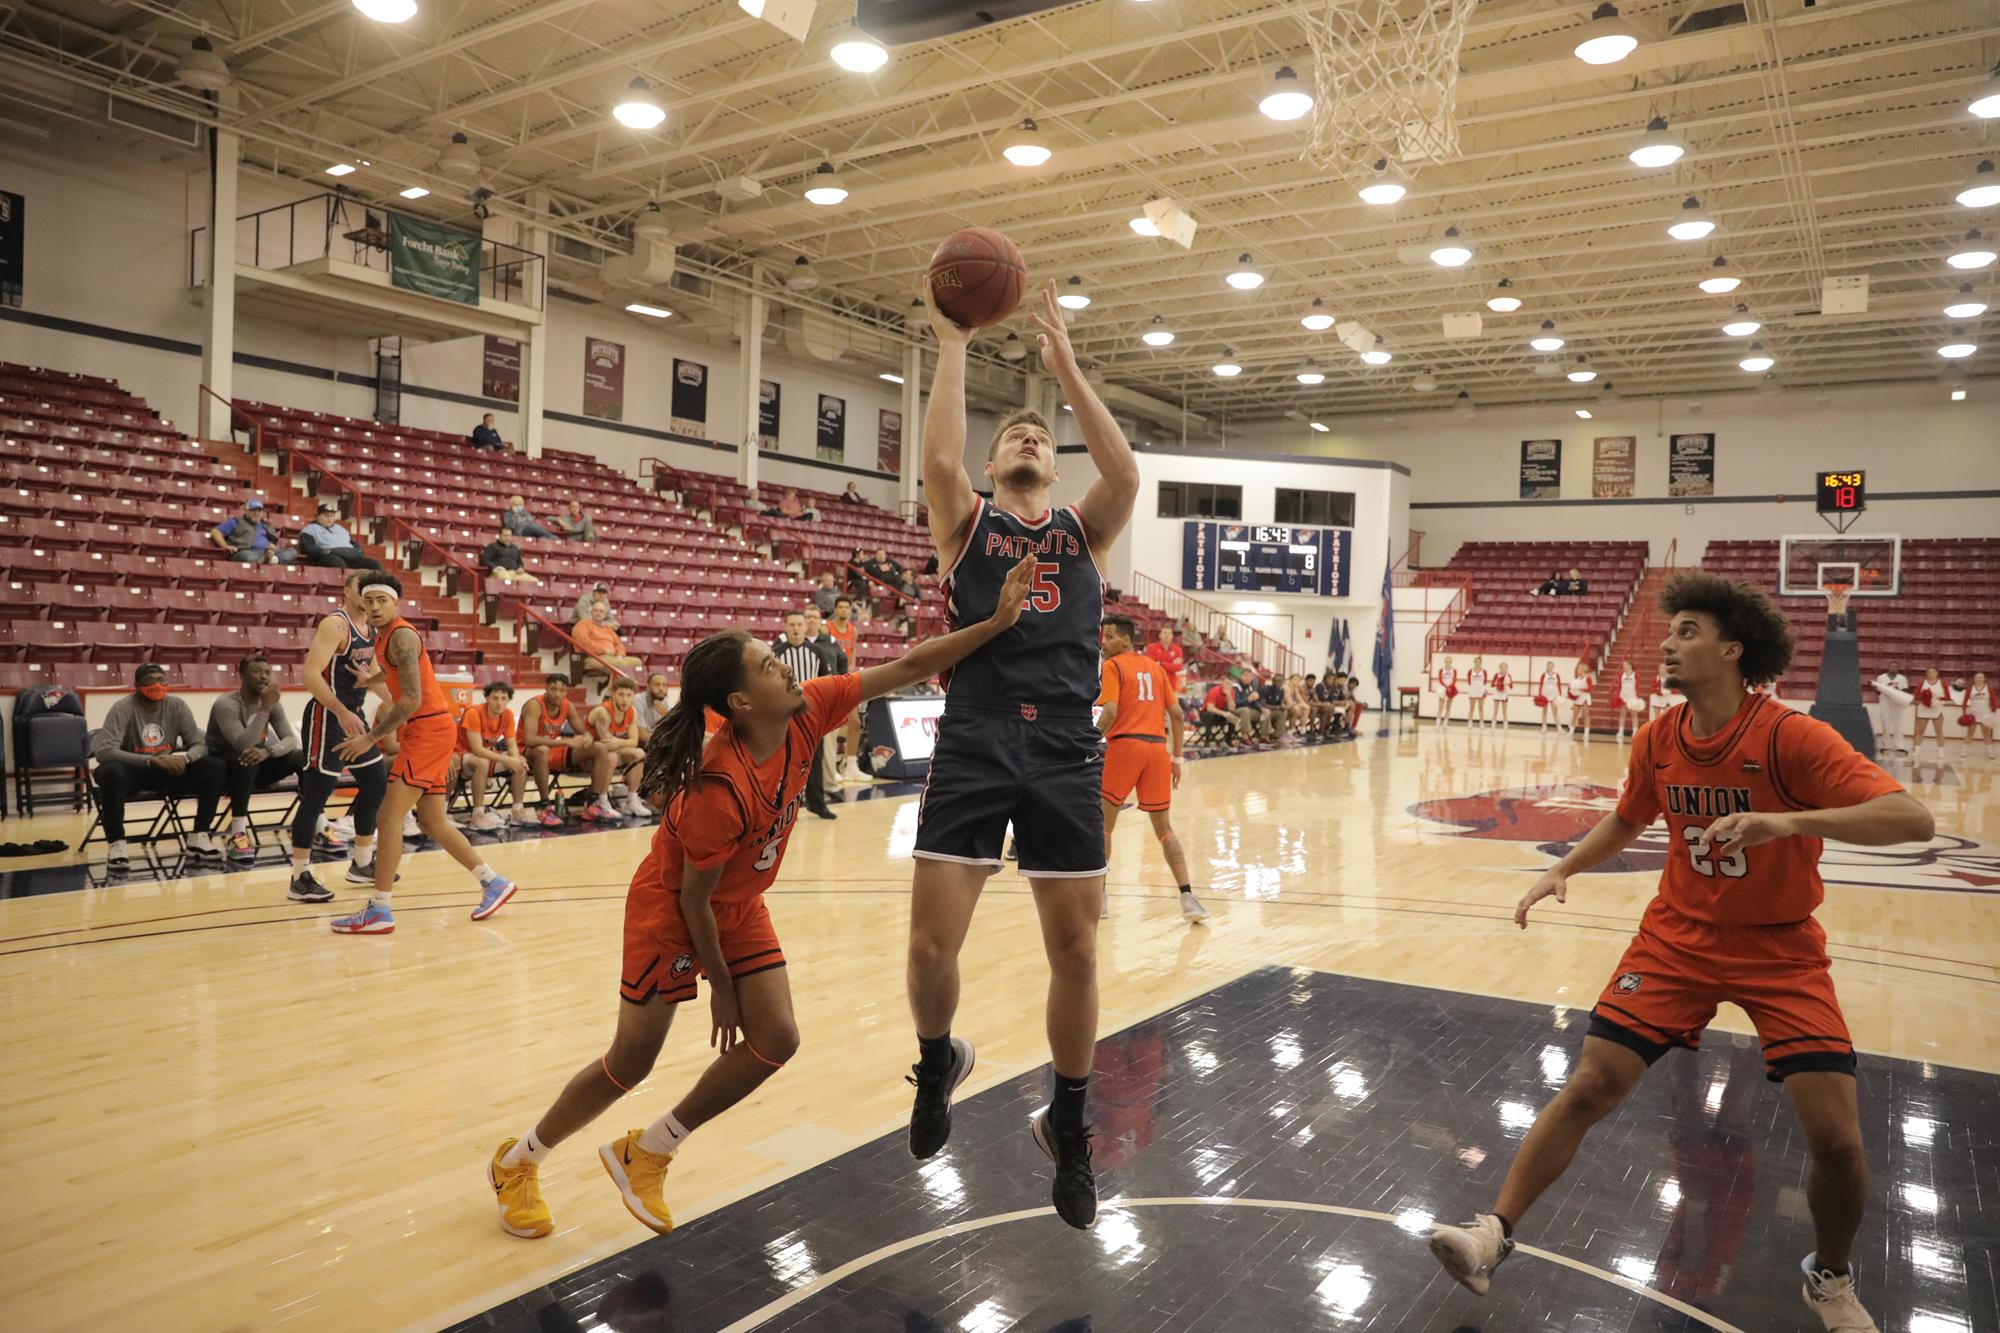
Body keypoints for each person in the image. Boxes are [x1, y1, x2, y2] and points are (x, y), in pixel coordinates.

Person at [1427, 570, 1934, 1333]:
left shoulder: (1790, 736)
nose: (1668, 643)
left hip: (1781, 948)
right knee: (1592, 1084)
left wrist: (1790, 823)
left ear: (1734, 649)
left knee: (1836, 1140)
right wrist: (1563, 865)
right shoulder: (1658, 737)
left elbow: (1912, 817)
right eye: (1669, 632)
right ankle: (1491, 1234)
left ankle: (1829, 1278)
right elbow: (1629, 818)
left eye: (1687, 632)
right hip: (1678, 938)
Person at [485, 559, 1033, 1240]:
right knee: (632, 1060)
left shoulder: (809, 711)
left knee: (776, 1038)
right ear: (741, 703)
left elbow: (909, 665)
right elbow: (692, 899)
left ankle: (649, 1148)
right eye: (772, 667)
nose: (788, 672)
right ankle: (518, 1159)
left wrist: (998, 622)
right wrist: (720, 984)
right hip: (674, 913)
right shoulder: (717, 786)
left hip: (737, 906)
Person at [902, 276, 1141, 1231]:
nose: (1032, 440)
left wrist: (1068, 370)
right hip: (975, 734)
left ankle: (1070, 1122)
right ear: (995, 464)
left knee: (1076, 948)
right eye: (1016, 437)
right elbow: (935, 454)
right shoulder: (967, 525)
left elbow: (1125, 477)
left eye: (1042, 435)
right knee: (929, 943)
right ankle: (936, 1063)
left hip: (1064, 746)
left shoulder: (1084, 531)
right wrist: (955, 343)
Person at [330, 573, 522, 934]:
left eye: (381, 600)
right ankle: (492, 882)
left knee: (388, 817)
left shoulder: (401, 636)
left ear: (396, 604)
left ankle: (379, 909)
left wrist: (370, 738)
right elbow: (398, 675)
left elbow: (412, 699)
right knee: (433, 822)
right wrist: (368, 680)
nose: (373, 607)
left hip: (427, 731)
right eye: (368, 600)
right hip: (430, 730)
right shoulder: (386, 636)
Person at [287, 571, 392, 904]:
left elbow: (373, 678)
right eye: (366, 592)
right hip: (327, 714)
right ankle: (299, 876)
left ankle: (362, 863)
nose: (372, 600)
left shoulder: (371, 628)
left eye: (378, 595)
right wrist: (340, 711)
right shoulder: (335, 624)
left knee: (376, 782)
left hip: (353, 716)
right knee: (316, 795)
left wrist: (399, 704)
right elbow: (309, 675)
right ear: (348, 591)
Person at [1097, 616, 1207, 924]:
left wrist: (1089, 740)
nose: (1103, 643)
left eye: (1109, 637)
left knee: (1103, 827)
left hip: (1125, 746)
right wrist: (1177, 759)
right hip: (1158, 750)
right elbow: (1177, 715)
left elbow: (1110, 711)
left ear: (1126, 641)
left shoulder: (1113, 667)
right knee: (1165, 830)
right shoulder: (1157, 670)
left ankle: (1100, 899)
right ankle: (1188, 898)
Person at [91, 663, 227, 869]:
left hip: (168, 770)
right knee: (110, 771)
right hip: (134, 771)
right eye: (150, 681)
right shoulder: (123, 707)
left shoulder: (177, 705)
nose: (157, 685)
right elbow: (104, 752)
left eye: (162, 680)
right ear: (136, 686)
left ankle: (199, 836)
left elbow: (200, 743)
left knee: (214, 765)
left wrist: (186, 759)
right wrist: (150, 760)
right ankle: (117, 844)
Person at [207, 652, 308, 864]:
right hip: (224, 773)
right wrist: (264, 708)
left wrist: (269, 752)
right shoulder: (226, 704)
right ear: (242, 676)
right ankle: (238, 833)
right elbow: (243, 743)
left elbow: (290, 739)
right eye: (256, 672)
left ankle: (316, 825)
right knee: (245, 756)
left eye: (267, 672)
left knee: (300, 757)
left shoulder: (271, 702)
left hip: (257, 766)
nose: (263, 677)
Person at [520, 673, 616, 825]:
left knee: (600, 748)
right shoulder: (535, 705)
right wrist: (565, 742)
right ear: (546, 688)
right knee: (542, 750)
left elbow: (582, 730)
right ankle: (545, 806)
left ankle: (592, 803)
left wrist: (587, 737)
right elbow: (529, 740)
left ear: (566, 692)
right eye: (553, 689)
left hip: (553, 750)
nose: (557, 694)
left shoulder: (567, 705)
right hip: (527, 753)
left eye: (562, 690)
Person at [773, 611, 838, 820]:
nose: (796, 628)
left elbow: (827, 682)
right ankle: (782, 806)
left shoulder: (818, 651)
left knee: (814, 759)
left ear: (805, 627)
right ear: (785, 627)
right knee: (783, 760)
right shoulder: (775, 653)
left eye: (799, 624)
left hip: (810, 714)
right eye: (791, 624)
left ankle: (816, 803)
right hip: (783, 714)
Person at [458, 681, 534, 831]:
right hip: (462, 755)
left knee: (520, 763)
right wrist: (508, 759)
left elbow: (512, 745)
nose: (499, 703)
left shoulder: (508, 714)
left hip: (487, 756)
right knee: (482, 762)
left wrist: (516, 759)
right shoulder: (474, 712)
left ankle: (517, 810)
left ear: (508, 700)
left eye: (503, 698)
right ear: (486, 698)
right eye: (495, 698)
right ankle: (477, 815)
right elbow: (477, 749)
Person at [589, 678, 653, 820]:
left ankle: (631, 800)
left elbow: (634, 741)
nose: (625, 699)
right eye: (621, 695)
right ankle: (602, 800)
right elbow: (606, 744)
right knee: (610, 756)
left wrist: (618, 742)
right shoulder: (603, 712)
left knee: (639, 754)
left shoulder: (632, 712)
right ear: (613, 694)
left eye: (629, 695)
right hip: (590, 756)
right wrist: (622, 743)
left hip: (610, 752)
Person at [573, 601, 645, 686]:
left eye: (601, 611)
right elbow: (584, 643)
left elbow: (619, 644)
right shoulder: (582, 624)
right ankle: (614, 691)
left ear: (605, 615)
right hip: (591, 658)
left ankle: (627, 688)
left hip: (612, 657)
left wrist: (620, 654)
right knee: (619, 664)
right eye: (596, 610)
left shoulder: (608, 628)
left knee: (637, 662)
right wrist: (603, 650)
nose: (598, 613)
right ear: (591, 612)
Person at [209, 497, 296, 564]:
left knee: (292, 552)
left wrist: (274, 548)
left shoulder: (266, 525)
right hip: (245, 551)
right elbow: (215, 532)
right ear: (246, 511)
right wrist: (225, 546)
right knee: (248, 556)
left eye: (259, 511)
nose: (256, 513)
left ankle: (273, 560)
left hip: (266, 552)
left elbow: (274, 542)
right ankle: (266, 559)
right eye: (253, 510)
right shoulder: (236, 521)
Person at [299, 502, 383, 570]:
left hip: (350, 555)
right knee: (336, 562)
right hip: (329, 556)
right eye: (326, 515)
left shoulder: (341, 529)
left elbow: (353, 543)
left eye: (332, 516)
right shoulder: (310, 529)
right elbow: (307, 547)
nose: (329, 518)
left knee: (375, 564)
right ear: (317, 516)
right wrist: (324, 552)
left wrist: (358, 550)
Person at [1199, 676, 1251, 745]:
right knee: (1210, 715)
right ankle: (1207, 740)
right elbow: (1210, 708)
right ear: (1222, 683)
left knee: (1232, 715)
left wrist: (1229, 696)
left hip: (1219, 713)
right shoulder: (1215, 690)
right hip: (1206, 714)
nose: (1228, 686)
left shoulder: (1231, 691)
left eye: (1230, 684)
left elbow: (1232, 708)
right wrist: (1223, 713)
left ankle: (1229, 739)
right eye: (1227, 683)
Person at [1910, 667, 1947, 760]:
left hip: (1936, 708)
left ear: (1937, 673)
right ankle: (1917, 750)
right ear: (1926, 674)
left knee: (1939, 731)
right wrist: (1925, 696)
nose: (1931, 674)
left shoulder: (1942, 683)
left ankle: (1941, 751)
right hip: (1924, 708)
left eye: (1933, 672)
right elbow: (1916, 696)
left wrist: (1937, 700)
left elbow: (1947, 697)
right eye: (1929, 672)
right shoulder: (1922, 683)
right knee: (1920, 731)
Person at [1145, 626, 1185, 705]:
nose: (1167, 635)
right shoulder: (1152, 647)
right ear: (1159, 635)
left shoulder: (1177, 649)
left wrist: (1161, 663)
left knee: (1172, 712)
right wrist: (1171, 664)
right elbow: (1152, 665)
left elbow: (1178, 667)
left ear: (1172, 636)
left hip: (1171, 686)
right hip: (1155, 685)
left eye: (1169, 633)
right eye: (1164, 633)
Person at [1963, 671, 1994, 756]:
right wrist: (1964, 713)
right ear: (1974, 679)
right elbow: (1965, 701)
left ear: (1984, 679)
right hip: (1973, 714)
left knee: (1986, 734)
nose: (1979, 679)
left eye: (1981, 677)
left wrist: (1993, 713)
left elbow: (1993, 701)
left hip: (1985, 714)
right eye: (1977, 677)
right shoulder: (1970, 689)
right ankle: (1964, 751)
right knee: (1970, 733)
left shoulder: (1989, 689)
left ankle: (1990, 752)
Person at [634, 672, 673, 737]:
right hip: (641, 743)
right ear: (648, 687)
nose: (661, 689)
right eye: (657, 685)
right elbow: (642, 736)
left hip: (655, 740)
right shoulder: (638, 700)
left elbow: (669, 729)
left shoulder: (664, 700)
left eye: (664, 685)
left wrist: (665, 715)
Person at [1614, 658, 1643, 743]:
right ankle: (1621, 731)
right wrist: (1618, 695)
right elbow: (1619, 686)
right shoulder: (1621, 675)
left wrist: (1637, 697)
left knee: (1634, 714)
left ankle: (1635, 731)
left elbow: (1638, 686)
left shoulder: (1635, 675)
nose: (1623, 666)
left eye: (1625, 665)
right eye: (1623, 665)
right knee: (1622, 714)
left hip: (1632, 697)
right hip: (1623, 696)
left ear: (1630, 665)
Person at [1537, 662, 1565, 732]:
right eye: (1548, 666)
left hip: (1554, 695)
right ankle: (1544, 727)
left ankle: (1559, 728)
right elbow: (1541, 685)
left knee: (1555, 712)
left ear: (1553, 667)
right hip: (1545, 695)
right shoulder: (1543, 675)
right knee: (1544, 711)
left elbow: (1559, 685)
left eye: (1551, 666)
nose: (1550, 667)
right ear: (1546, 666)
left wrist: (1560, 695)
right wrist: (1539, 694)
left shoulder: (1556, 675)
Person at [1569, 663, 1595, 737]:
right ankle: (1571, 731)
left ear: (1583, 669)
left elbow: (1590, 689)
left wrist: (1580, 689)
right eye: (1577, 668)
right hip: (1578, 698)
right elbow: (1573, 689)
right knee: (1574, 715)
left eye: (1579, 668)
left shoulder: (1588, 678)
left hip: (1585, 698)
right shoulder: (1576, 679)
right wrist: (1572, 692)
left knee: (1585, 716)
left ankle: (1586, 733)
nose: (1577, 670)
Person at [1464, 655, 1489, 728]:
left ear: (1481, 662)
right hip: (1472, 690)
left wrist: (1481, 688)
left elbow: (1485, 681)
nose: (1477, 663)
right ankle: (1470, 723)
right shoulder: (1470, 671)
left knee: (1481, 708)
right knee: (1472, 707)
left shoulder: (1484, 671)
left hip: (1481, 690)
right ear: (1474, 662)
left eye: (1479, 662)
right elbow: (1469, 681)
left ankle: (1481, 723)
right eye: (1476, 662)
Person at [1433, 655, 1458, 728]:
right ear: (1444, 662)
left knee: (1448, 707)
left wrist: (1450, 687)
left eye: (1449, 661)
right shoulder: (1441, 670)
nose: (1448, 662)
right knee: (1440, 707)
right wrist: (1445, 686)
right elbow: (1440, 680)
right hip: (1442, 690)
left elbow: (1455, 679)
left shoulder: (1454, 671)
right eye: (1446, 661)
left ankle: (1445, 724)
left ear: (1451, 662)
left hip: (1451, 689)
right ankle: (1437, 724)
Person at [1489, 662, 1513, 728]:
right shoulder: (1496, 675)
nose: (1503, 668)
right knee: (1495, 711)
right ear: (1499, 668)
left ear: (1507, 668)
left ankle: (1505, 728)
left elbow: (1511, 686)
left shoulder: (1508, 675)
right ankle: (1493, 727)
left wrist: (1507, 684)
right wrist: (1498, 684)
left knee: (1504, 712)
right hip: (1497, 693)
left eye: (1505, 667)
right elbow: (1492, 685)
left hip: (1504, 694)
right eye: (1502, 667)